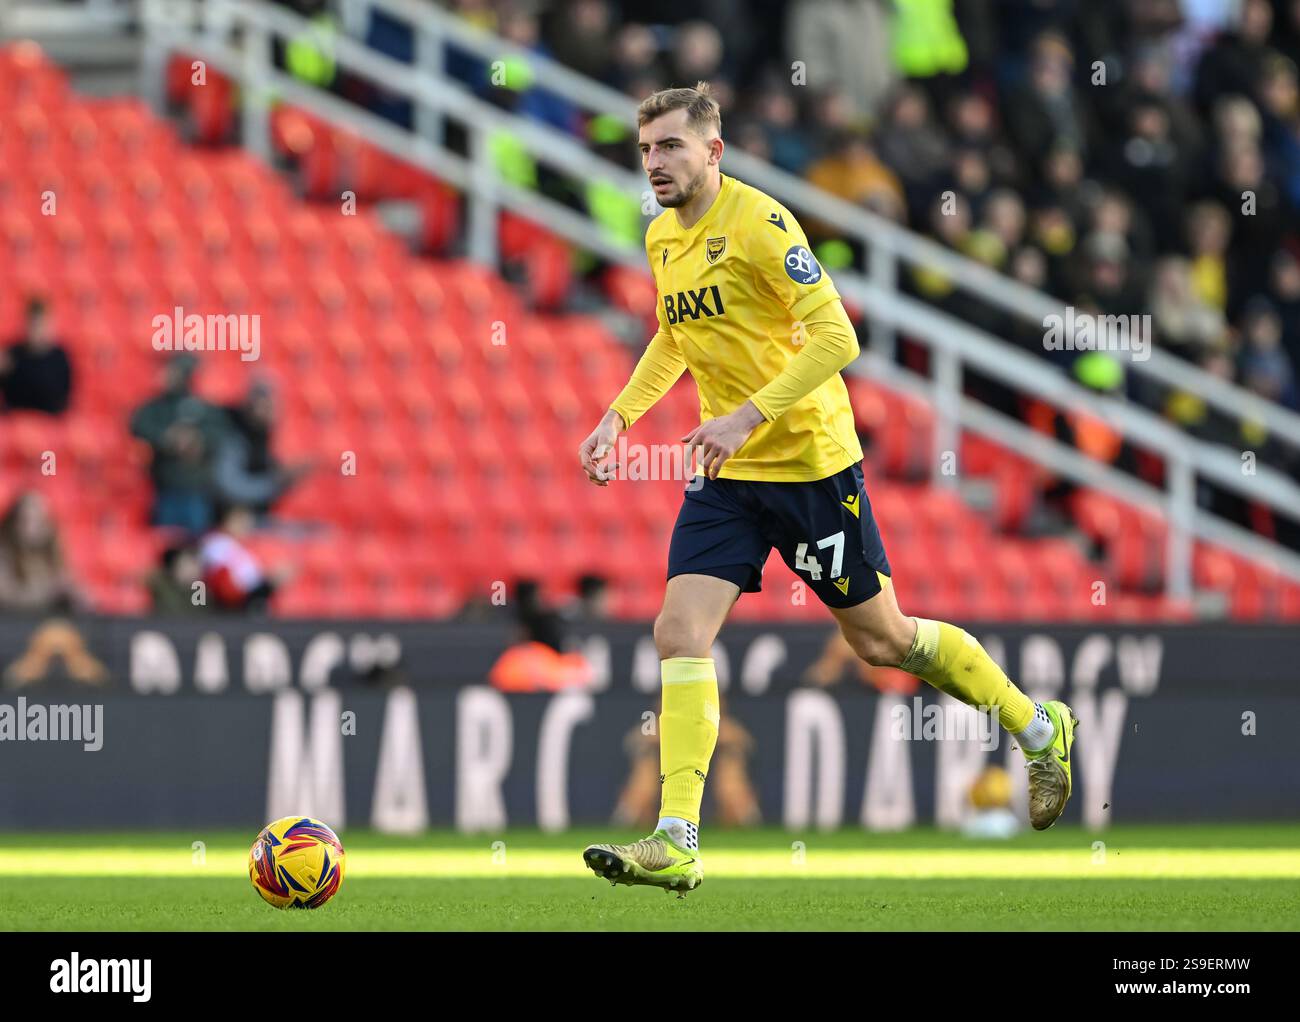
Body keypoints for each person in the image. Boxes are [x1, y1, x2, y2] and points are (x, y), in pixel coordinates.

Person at [577, 83, 1077, 895]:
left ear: (714, 151)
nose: (655, 164)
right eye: (645, 150)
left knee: (883, 642)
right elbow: (676, 333)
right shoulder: (663, 235)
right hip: (730, 477)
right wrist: (618, 416)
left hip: (810, 465)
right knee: (678, 632)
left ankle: (1035, 724)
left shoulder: (763, 224)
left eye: (669, 146)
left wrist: (745, 415)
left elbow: (839, 335)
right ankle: (677, 838)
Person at [130, 354, 229, 534]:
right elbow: (138, 425)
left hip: (197, 490)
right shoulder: (158, 406)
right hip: (166, 487)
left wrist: (198, 439)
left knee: (195, 545)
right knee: (167, 543)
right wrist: (168, 438)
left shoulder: (203, 406)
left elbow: (221, 433)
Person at [0, 298, 72, 414]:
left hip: (48, 421)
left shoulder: (59, 357)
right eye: (32, 324)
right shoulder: (13, 353)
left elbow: (58, 396)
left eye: (39, 325)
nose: (36, 330)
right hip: (14, 419)